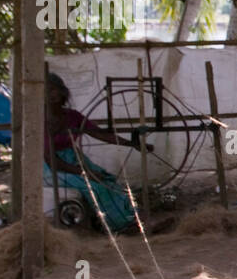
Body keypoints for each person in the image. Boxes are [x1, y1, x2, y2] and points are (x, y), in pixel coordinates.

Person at [43, 72, 173, 235]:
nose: (51, 94)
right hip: (51, 168)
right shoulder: (40, 120)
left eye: (54, 90)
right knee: (96, 187)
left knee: (109, 180)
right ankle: (120, 226)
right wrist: (84, 172)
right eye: (46, 90)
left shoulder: (72, 116)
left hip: (73, 159)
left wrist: (132, 144)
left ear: (63, 92)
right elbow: (49, 159)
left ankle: (134, 219)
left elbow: (100, 134)